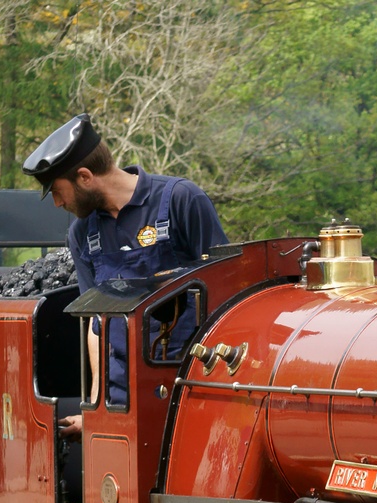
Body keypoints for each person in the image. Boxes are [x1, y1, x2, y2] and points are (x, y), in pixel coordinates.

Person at [22, 113, 228, 435]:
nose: (58, 203)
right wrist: (94, 406)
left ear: (85, 177)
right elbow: (96, 323)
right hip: (121, 401)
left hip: (188, 389)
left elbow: (226, 295)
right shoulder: (82, 233)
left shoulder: (181, 200)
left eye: (58, 191)